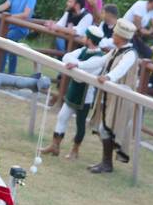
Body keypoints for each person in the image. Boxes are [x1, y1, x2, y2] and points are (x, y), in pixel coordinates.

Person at [41, 26, 107, 159]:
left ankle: (75, 150)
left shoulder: (99, 58)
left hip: (85, 96)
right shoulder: (83, 50)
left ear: (90, 39)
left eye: (86, 36)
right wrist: (78, 65)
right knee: (62, 116)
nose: (83, 38)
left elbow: (81, 75)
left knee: (80, 124)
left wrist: (76, 65)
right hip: (73, 91)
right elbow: (67, 57)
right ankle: (55, 146)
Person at [87, 19, 140, 174]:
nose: (113, 36)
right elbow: (100, 61)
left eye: (115, 34)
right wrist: (77, 64)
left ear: (121, 37)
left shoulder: (130, 54)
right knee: (105, 128)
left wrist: (109, 77)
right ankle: (106, 162)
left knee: (107, 127)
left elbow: (121, 69)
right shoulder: (115, 50)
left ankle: (107, 163)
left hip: (120, 97)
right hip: (110, 94)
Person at [0, 0, 37, 73]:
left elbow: (26, 14)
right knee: (12, 50)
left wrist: (9, 17)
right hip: (10, 26)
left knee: (5, 43)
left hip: (20, 28)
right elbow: (6, 5)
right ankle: (10, 73)